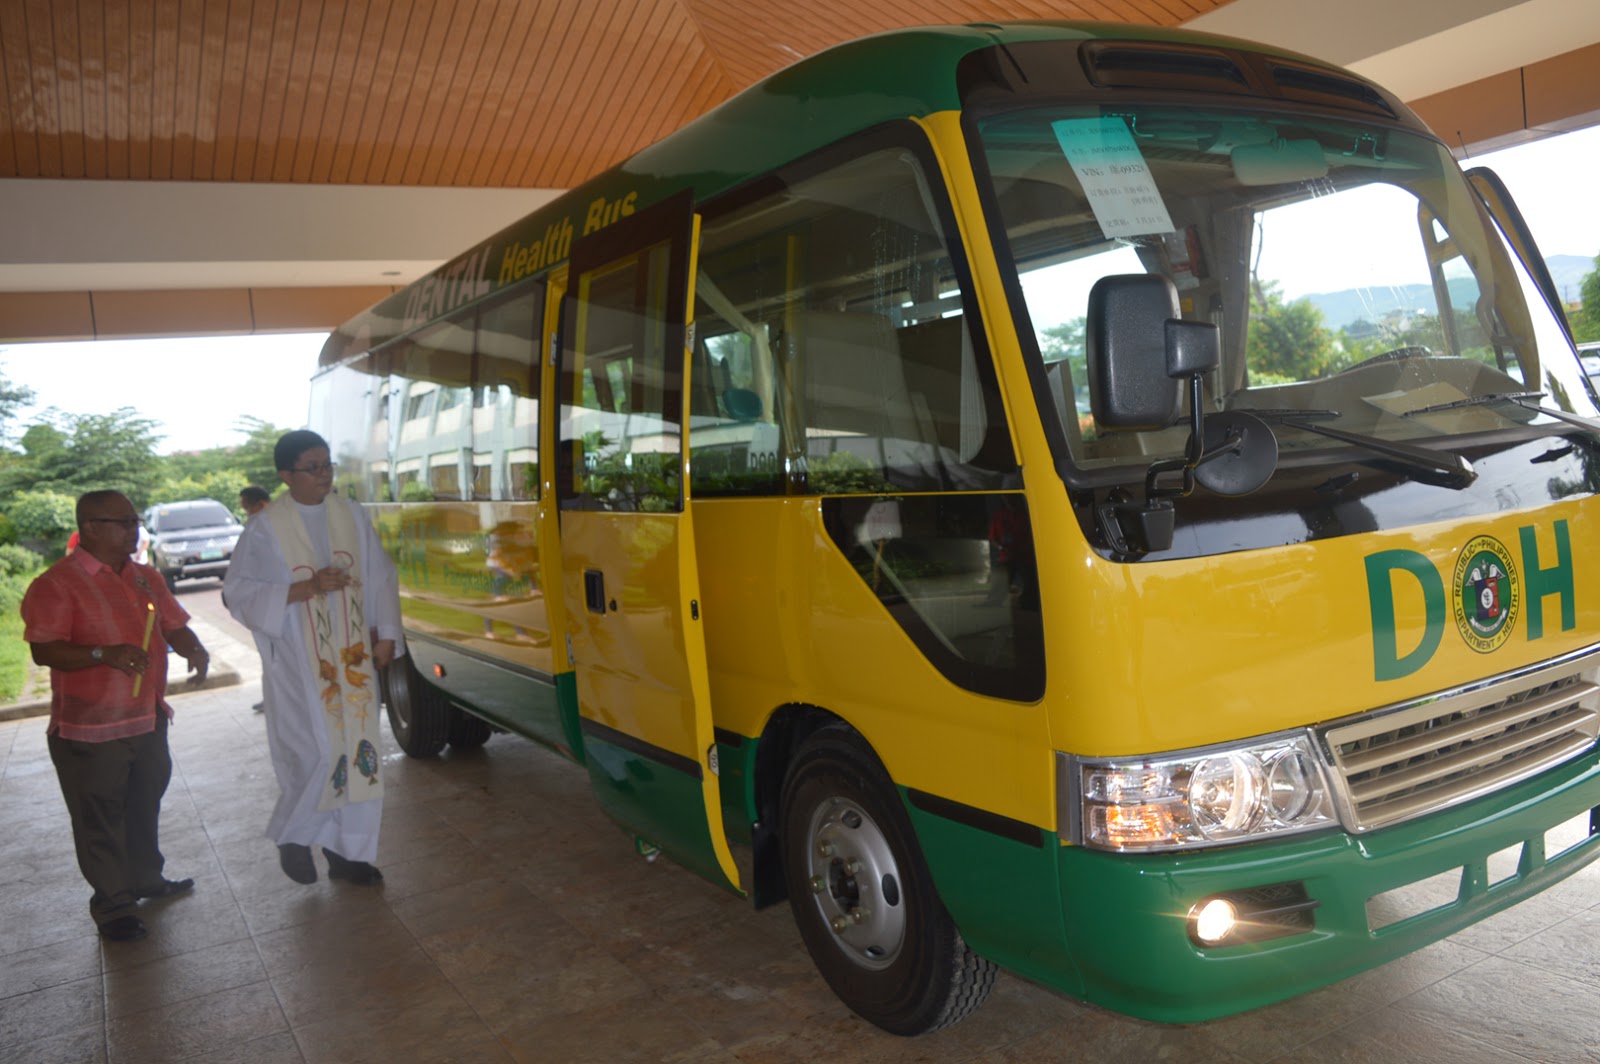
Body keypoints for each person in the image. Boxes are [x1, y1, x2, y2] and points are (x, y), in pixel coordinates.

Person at [20, 491, 211, 942]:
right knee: (100, 819)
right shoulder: (57, 584)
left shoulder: (145, 576)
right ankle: (114, 906)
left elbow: (172, 624)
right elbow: (44, 649)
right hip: (90, 728)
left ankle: (147, 878)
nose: (134, 530)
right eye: (123, 522)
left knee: (144, 804)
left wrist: (195, 649)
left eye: (134, 520)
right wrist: (103, 653)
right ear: (90, 527)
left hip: (147, 717)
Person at [223, 432, 404, 887]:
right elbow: (237, 592)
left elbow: (381, 575)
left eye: (327, 465)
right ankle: (294, 834)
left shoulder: (350, 513)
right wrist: (304, 588)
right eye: (312, 467)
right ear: (286, 475)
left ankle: (349, 854)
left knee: (360, 751)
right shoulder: (265, 527)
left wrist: (387, 633)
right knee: (319, 753)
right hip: (299, 662)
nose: (324, 475)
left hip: (353, 656)